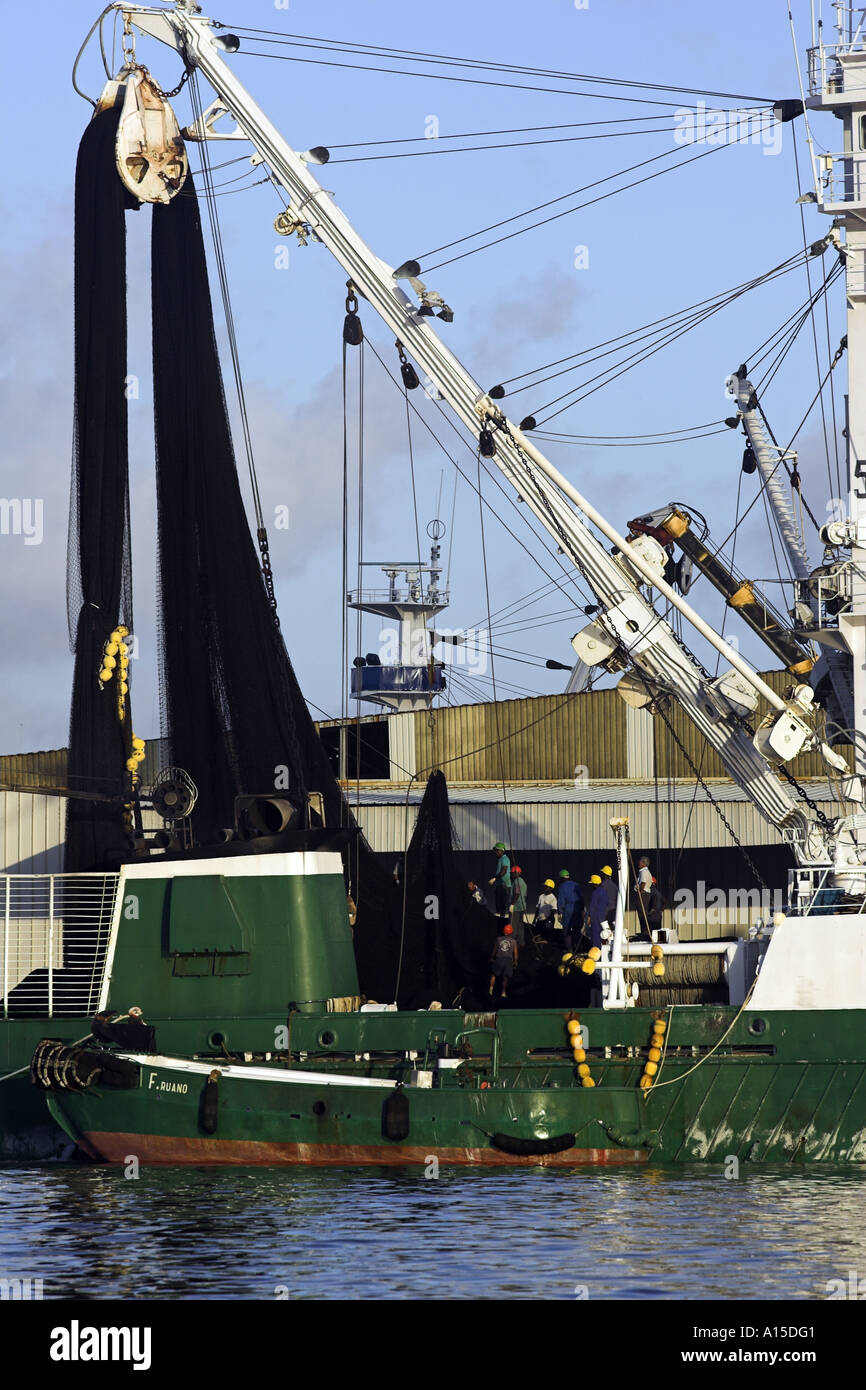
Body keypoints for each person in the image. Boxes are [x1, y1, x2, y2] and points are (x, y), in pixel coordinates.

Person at [489, 922, 518, 999]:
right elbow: (515, 954)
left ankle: (490, 990)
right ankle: (503, 992)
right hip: (508, 961)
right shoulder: (514, 941)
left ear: (503, 931)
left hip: (499, 959)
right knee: (505, 977)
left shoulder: (498, 940)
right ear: (511, 932)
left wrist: (491, 958)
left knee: (494, 975)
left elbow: (494, 951)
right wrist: (515, 962)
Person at [556, 869, 582, 951]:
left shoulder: (562, 887)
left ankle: (570, 950)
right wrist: (582, 909)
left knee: (567, 931)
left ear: (561, 878)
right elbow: (581, 898)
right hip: (577, 909)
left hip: (568, 910)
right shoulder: (576, 885)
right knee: (577, 930)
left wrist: (559, 912)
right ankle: (578, 949)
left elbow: (561, 901)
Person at [489, 842, 511, 917]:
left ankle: (502, 917)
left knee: (502, 902)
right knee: (499, 901)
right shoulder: (500, 859)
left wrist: (495, 878)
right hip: (500, 884)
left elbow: (504, 871)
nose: (496, 852)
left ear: (501, 850)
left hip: (504, 884)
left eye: (497, 850)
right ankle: (501, 916)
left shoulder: (504, 858)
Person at [587, 874, 608, 952]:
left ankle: (596, 954)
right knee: (604, 936)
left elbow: (592, 907)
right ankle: (603, 952)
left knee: (596, 937)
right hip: (603, 917)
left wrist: (589, 918)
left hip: (596, 918)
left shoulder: (595, 893)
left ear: (594, 884)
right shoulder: (604, 892)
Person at [510, 866, 528, 944]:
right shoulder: (523, 881)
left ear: (516, 873)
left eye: (512, 873)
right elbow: (525, 895)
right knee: (520, 925)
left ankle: (511, 942)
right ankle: (521, 942)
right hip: (522, 907)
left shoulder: (517, 881)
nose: (511, 874)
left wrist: (512, 904)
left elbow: (517, 893)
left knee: (513, 925)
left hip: (516, 907)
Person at [635, 856, 653, 932]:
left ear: (643, 863)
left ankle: (645, 932)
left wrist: (640, 891)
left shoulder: (644, 871)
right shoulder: (645, 871)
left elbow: (643, 882)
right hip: (645, 894)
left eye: (640, 861)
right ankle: (645, 931)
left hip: (643, 895)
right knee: (643, 913)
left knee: (642, 914)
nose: (638, 863)